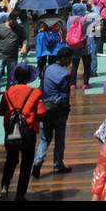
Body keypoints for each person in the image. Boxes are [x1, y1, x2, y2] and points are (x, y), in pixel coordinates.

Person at [0, 64, 46, 200]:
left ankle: (4, 187)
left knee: (11, 160)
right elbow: (41, 113)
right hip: (28, 132)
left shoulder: (8, 92)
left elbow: (1, 111)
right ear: (28, 78)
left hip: (11, 132)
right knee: (26, 163)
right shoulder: (35, 92)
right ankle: (20, 195)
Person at [33, 49, 73, 178]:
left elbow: (42, 87)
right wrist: (66, 110)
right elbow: (65, 95)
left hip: (45, 108)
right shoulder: (65, 75)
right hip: (59, 110)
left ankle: (38, 161)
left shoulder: (47, 69)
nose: (70, 61)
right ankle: (58, 164)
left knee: (44, 138)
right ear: (64, 58)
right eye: (69, 59)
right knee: (59, 139)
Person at [0, 12, 28, 107]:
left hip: (13, 58)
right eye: (13, 21)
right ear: (8, 19)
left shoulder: (19, 28)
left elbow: (24, 39)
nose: (14, 23)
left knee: (11, 79)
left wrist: (24, 47)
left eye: (16, 21)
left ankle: (8, 96)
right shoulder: (0, 27)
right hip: (0, 56)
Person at [65, 3, 92, 91]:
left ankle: (72, 84)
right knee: (86, 65)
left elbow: (68, 31)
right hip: (85, 45)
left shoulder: (70, 19)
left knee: (74, 65)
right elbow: (91, 30)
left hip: (73, 45)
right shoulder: (86, 19)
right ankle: (85, 83)